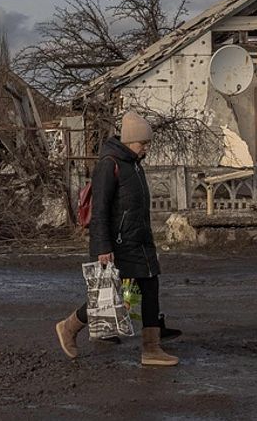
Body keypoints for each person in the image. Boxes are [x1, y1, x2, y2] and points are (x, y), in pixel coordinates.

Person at [55, 111, 180, 366]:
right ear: (129, 141)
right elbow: (100, 208)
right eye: (142, 143)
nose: (146, 148)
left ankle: (152, 348)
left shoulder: (133, 164)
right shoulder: (109, 164)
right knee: (107, 296)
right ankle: (69, 327)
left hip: (140, 241)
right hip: (119, 243)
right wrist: (103, 246)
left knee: (150, 288)